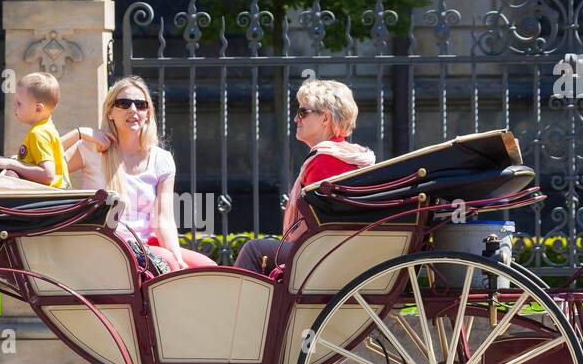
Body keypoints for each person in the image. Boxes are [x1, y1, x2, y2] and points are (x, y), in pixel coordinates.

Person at [70, 77, 215, 271]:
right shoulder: (91, 149)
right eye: (123, 103)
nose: (133, 109)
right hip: (107, 246)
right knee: (169, 263)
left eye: (140, 104)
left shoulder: (161, 159)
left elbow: (164, 219)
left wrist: (177, 257)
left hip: (146, 247)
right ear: (110, 112)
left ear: (147, 113)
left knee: (209, 268)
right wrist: (78, 133)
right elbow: (47, 168)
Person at [233, 79, 375, 274]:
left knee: (254, 249)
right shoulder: (351, 155)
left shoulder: (325, 160)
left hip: (324, 252)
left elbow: (316, 222)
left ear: (325, 119)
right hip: (343, 248)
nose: (295, 119)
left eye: (303, 112)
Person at [0, 72, 70, 188]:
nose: (14, 106)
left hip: (46, 200)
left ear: (38, 108)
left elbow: (48, 175)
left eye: (19, 103)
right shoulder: (46, 128)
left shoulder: (38, 134)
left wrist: (11, 164)